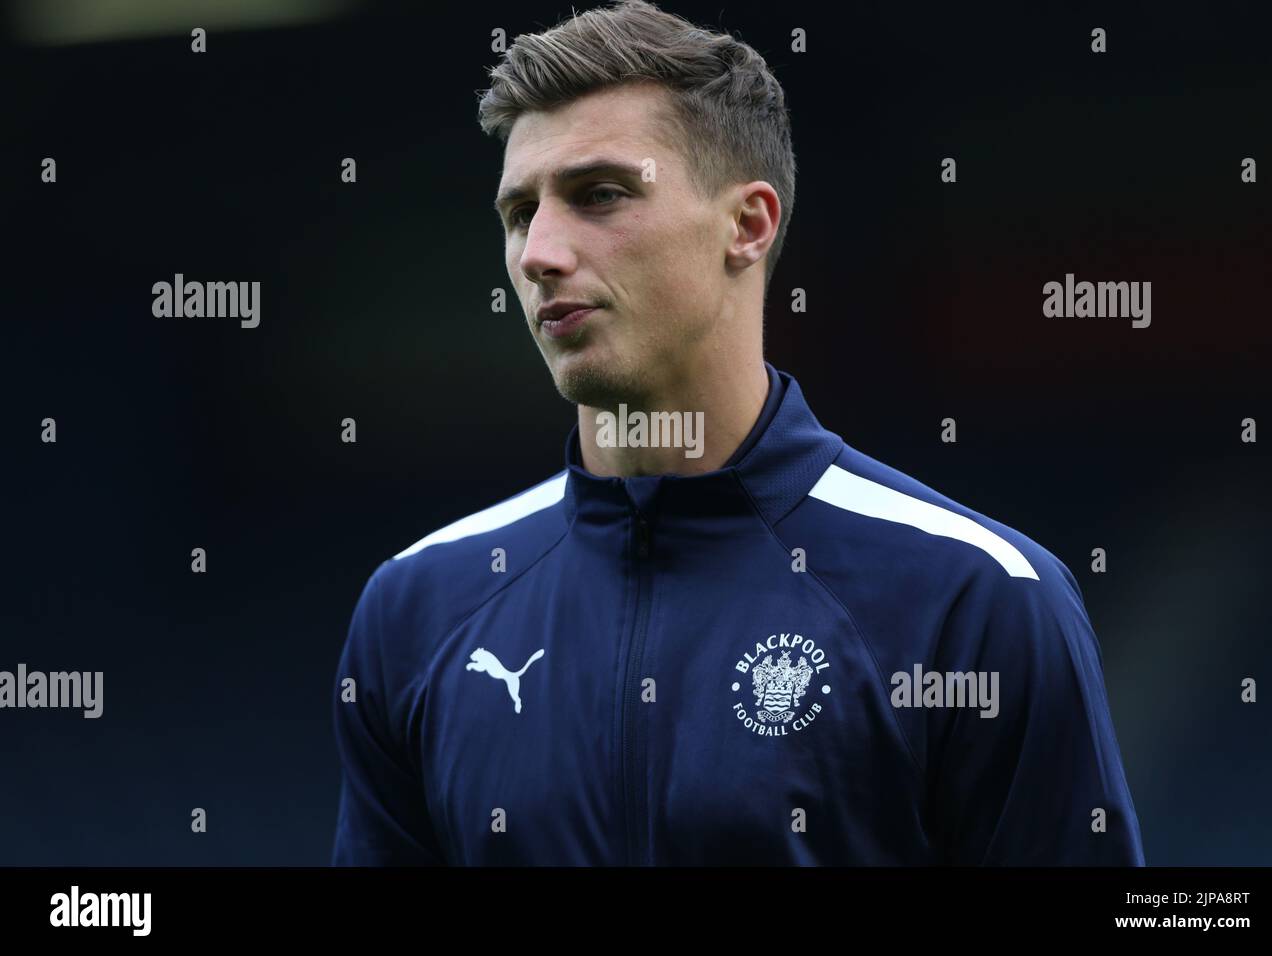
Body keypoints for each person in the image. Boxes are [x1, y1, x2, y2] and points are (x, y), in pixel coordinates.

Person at [331, 0, 1144, 865]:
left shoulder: (973, 598)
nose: (540, 252)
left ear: (748, 225)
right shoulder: (417, 608)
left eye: (598, 195)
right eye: (520, 212)